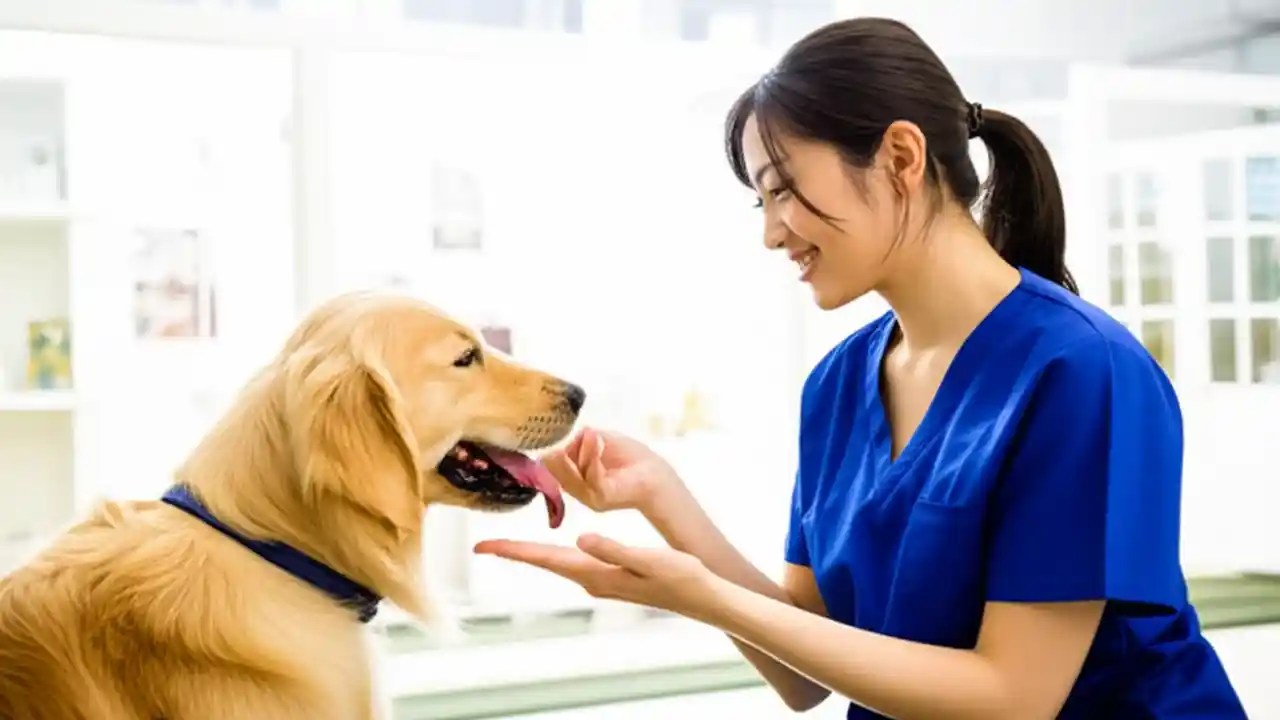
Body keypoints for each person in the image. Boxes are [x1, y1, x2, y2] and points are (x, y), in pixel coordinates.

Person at [474, 17, 1246, 720]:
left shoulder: (1084, 373)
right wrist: (662, 500)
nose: (773, 234)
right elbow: (805, 673)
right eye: (761, 203)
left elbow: (1013, 698)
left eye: (783, 191)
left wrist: (708, 598)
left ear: (901, 157)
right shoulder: (841, 383)